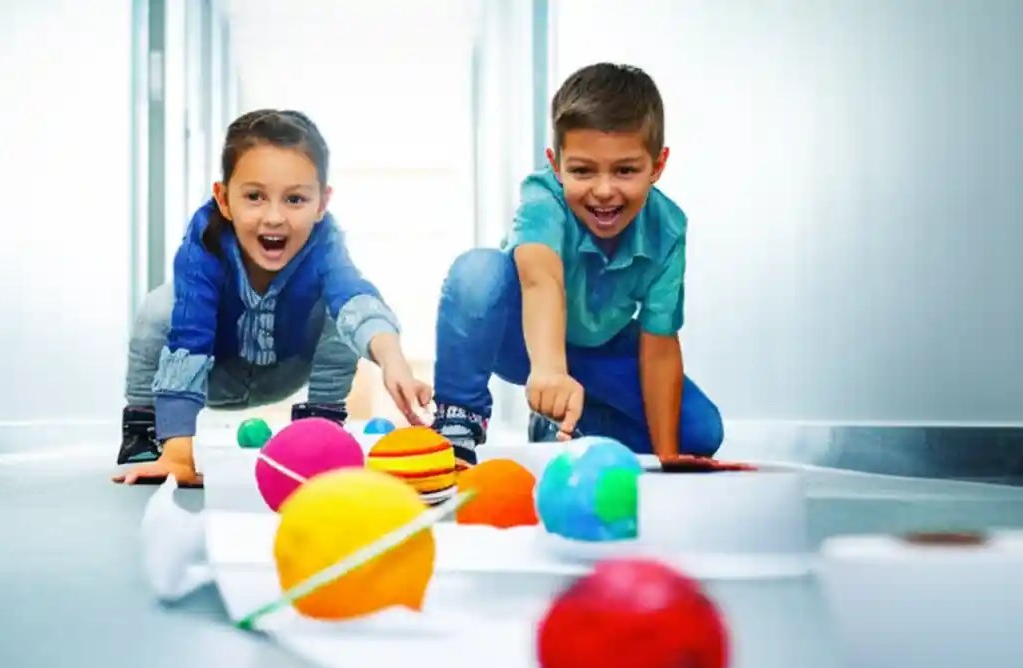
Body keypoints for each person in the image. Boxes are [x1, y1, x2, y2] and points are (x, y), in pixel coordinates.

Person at [430, 62, 748, 472]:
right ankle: (457, 424)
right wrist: (549, 369)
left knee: (701, 433)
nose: (604, 190)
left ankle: (567, 425)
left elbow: (659, 342)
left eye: (626, 170)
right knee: (476, 272)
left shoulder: (667, 229)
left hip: (600, 351)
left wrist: (667, 455)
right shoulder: (543, 196)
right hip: (524, 338)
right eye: (582, 171)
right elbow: (540, 277)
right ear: (556, 164)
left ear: (658, 165)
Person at [114, 109, 432, 485]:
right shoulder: (205, 243)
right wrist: (179, 454)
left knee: (339, 314)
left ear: (322, 203)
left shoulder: (325, 243)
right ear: (224, 199)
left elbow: (353, 298)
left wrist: (393, 360)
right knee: (160, 306)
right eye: (254, 197)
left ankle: (320, 426)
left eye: (295, 199)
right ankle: (146, 428)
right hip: (215, 372)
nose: (275, 217)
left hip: (285, 370)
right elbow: (189, 335)